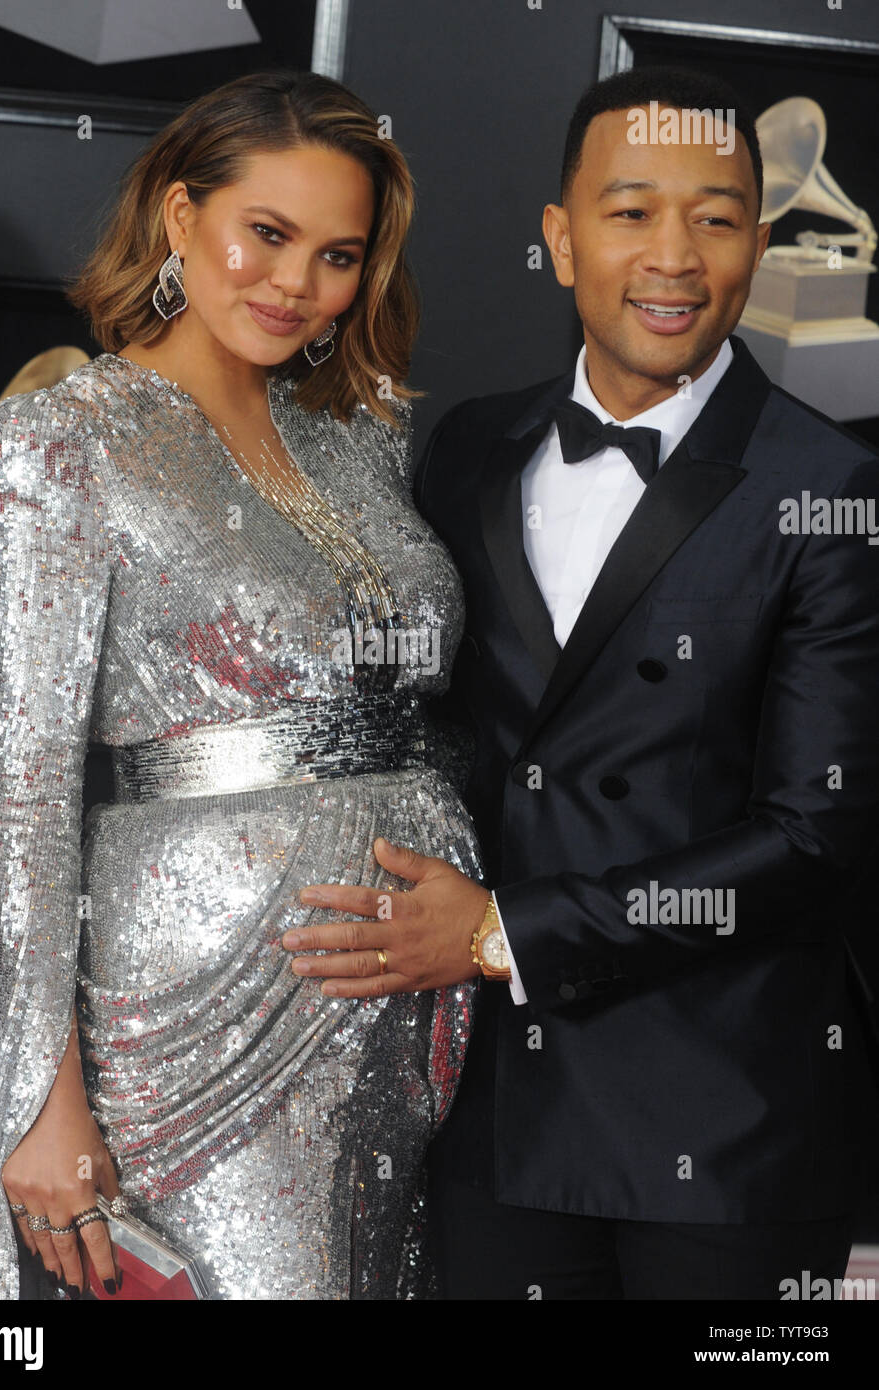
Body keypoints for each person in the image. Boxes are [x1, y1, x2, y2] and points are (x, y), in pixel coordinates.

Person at [284, 65, 879, 1299]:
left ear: (759, 247)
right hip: (493, 1116)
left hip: (728, 1133)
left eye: (716, 218)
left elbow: (816, 835)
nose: (674, 256)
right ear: (560, 240)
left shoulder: (832, 488)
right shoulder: (468, 448)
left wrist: (502, 930)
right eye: (631, 211)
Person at [0, 68, 482, 1302]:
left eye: (338, 255)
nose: (296, 285)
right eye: (268, 234)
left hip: (405, 1002)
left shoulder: (362, 433)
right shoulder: (60, 439)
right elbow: (22, 803)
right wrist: (39, 1101)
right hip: (197, 1007)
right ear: (181, 217)